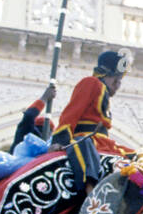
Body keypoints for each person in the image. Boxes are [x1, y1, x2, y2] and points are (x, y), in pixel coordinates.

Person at [52, 49, 134, 188]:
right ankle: (90, 192)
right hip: (87, 140)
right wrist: (59, 141)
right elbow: (71, 113)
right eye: (117, 78)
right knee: (82, 144)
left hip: (105, 143)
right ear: (109, 75)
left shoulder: (104, 93)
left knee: (138, 157)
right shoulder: (90, 83)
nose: (118, 84)